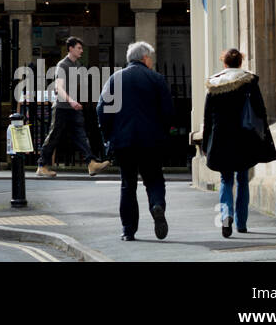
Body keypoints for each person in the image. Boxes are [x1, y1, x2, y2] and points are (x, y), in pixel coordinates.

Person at [98, 41, 173, 241]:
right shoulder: (157, 79)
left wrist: (109, 136)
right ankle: (157, 205)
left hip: (124, 142)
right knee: (154, 179)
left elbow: (102, 110)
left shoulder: (115, 79)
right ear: (145, 58)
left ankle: (128, 231)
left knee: (128, 185)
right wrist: (162, 133)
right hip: (151, 141)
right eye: (151, 58)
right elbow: (168, 112)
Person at [201, 48, 276, 237]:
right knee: (242, 179)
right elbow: (260, 110)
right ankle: (241, 223)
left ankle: (226, 215)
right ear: (240, 62)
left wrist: (205, 143)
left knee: (226, 179)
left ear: (224, 63)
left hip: (220, 138)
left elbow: (208, 117)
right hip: (244, 137)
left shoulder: (214, 83)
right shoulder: (249, 81)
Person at [36, 37, 110, 177]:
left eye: (81, 48)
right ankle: (42, 165)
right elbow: (59, 88)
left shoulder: (77, 65)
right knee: (54, 136)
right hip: (62, 107)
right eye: (79, 48)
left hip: (72, 108)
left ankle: (91, 163)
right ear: (70, 48)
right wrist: (71, 101)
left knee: (80, 135)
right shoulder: (62, 65)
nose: (81, 50)